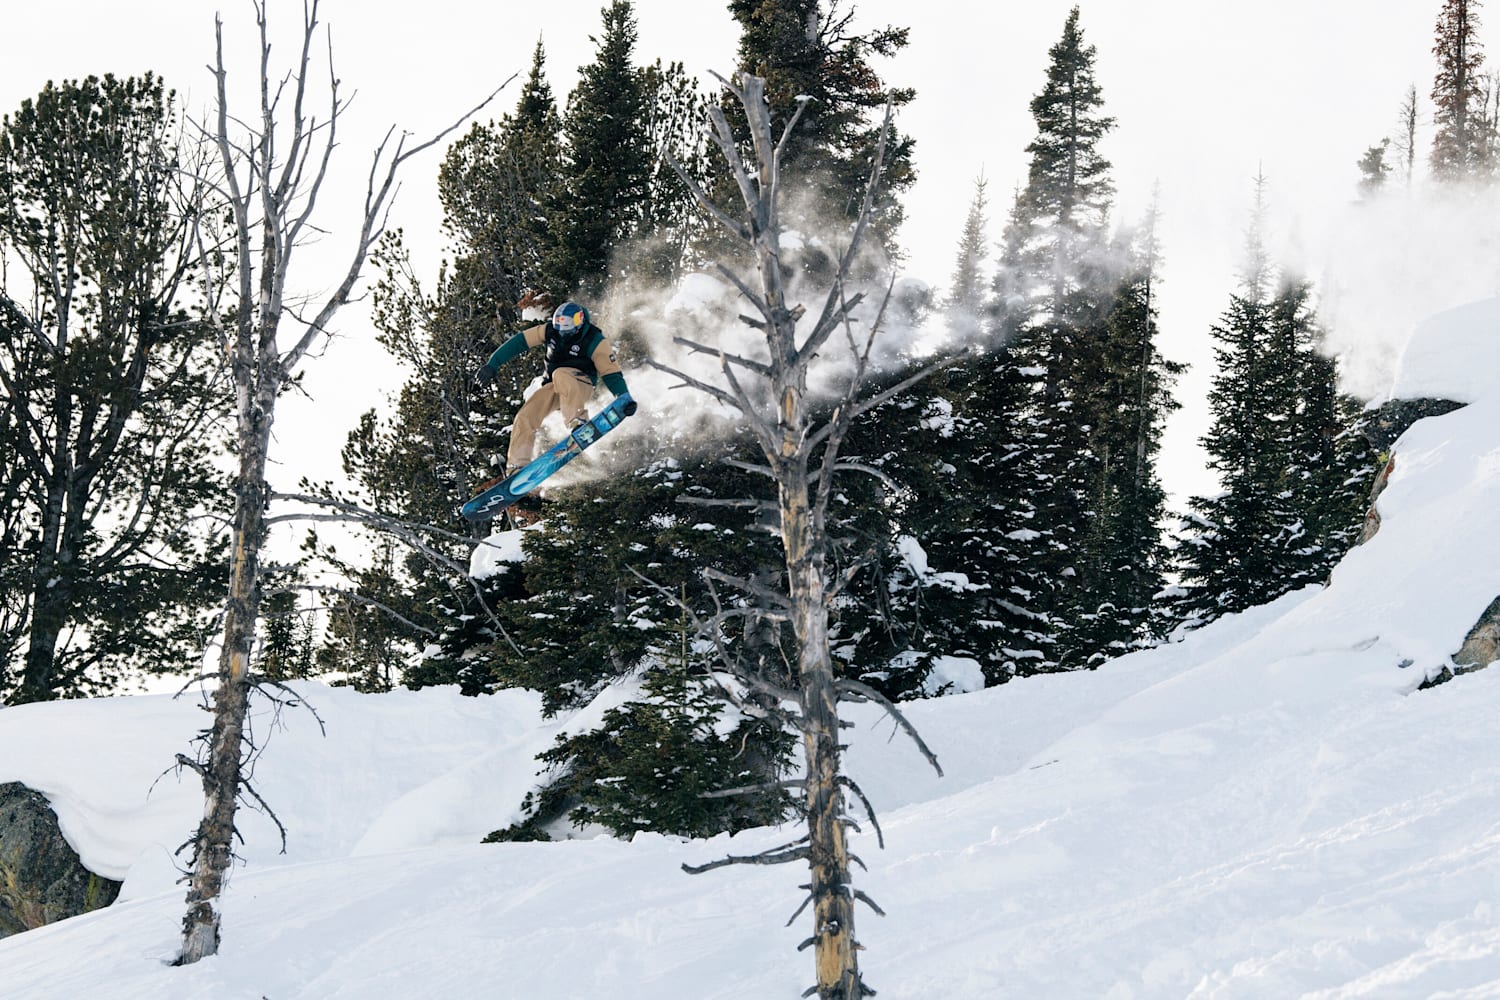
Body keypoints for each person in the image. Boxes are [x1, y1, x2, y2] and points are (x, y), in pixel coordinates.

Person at [474, 300, 638, 474]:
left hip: (581, 384)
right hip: (555, 386)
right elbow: (519, 342)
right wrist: (493, 364)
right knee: (525, 416)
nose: (564, 333)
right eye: (560, 328)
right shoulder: (550, 332)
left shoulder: (594, 339)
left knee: (561, 373)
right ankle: (517, 467)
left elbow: (611, 373)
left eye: (568, 327)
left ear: (580, 321)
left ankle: (578, 421)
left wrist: (623, 398)